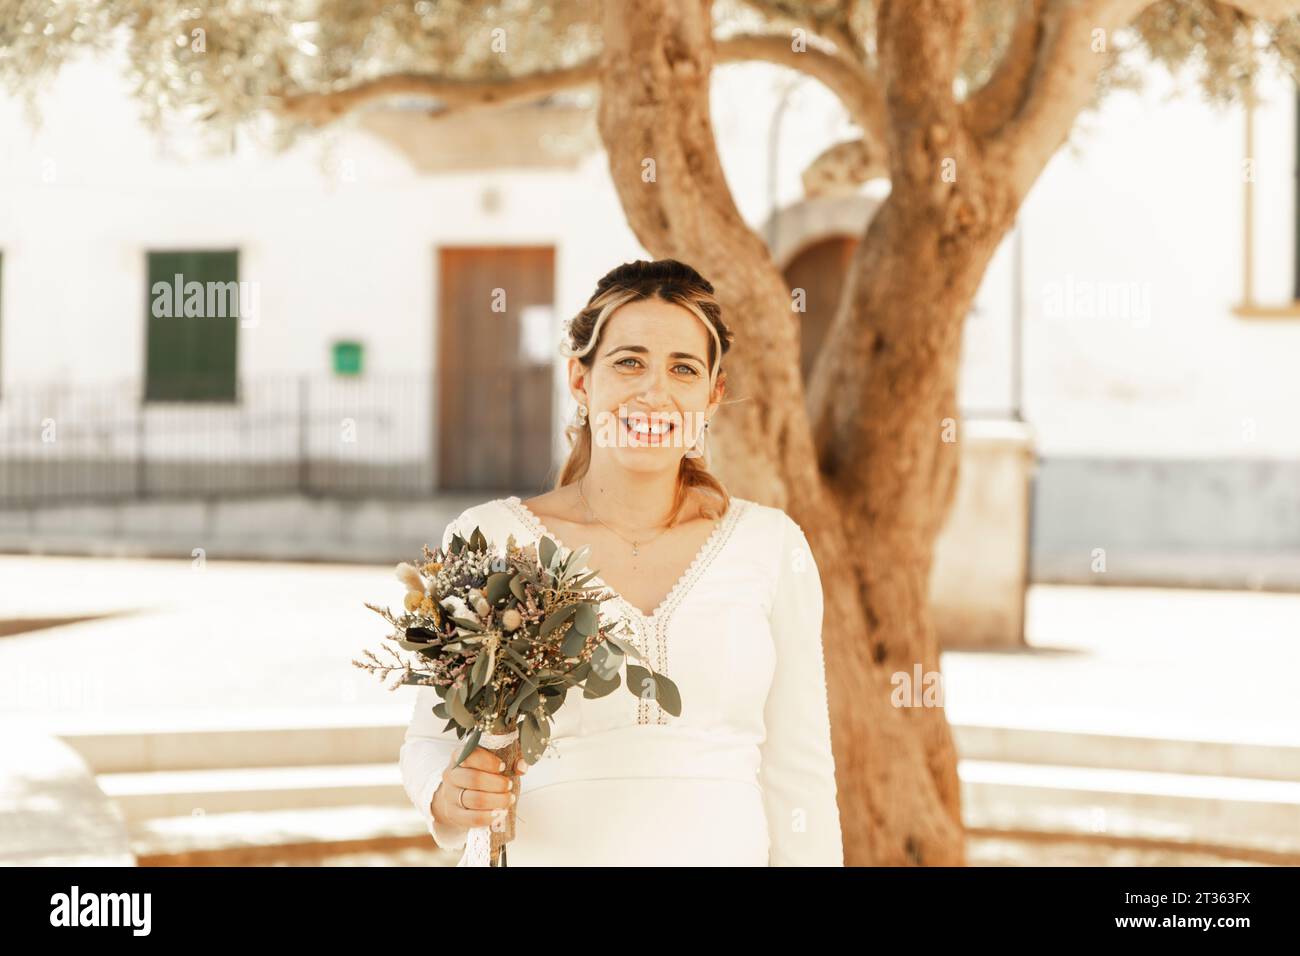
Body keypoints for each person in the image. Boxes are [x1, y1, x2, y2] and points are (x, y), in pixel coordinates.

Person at [399, 258, 843, 866]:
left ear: (712, 396)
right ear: (581, 380)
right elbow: (429, 741)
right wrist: (448, 797)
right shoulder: (490, 538)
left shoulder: (772, 545)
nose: (653, 391)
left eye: (682, 368)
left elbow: (802, 774)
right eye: (628, 361)